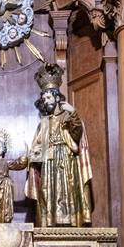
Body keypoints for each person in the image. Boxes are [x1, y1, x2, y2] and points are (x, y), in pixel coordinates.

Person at [26, 63, 93, 227]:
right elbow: (38, 145)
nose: (46, 101)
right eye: (44, 99)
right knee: (48, 191)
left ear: (57, 97)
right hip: (48, 162)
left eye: (48, 97)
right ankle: (49, 222)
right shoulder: (45, 122)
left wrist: (73, 112)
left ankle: (69, 222)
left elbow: (76, 133)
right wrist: (31, 157)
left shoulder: (67, 116)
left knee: (67, 189)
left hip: (66, 159)